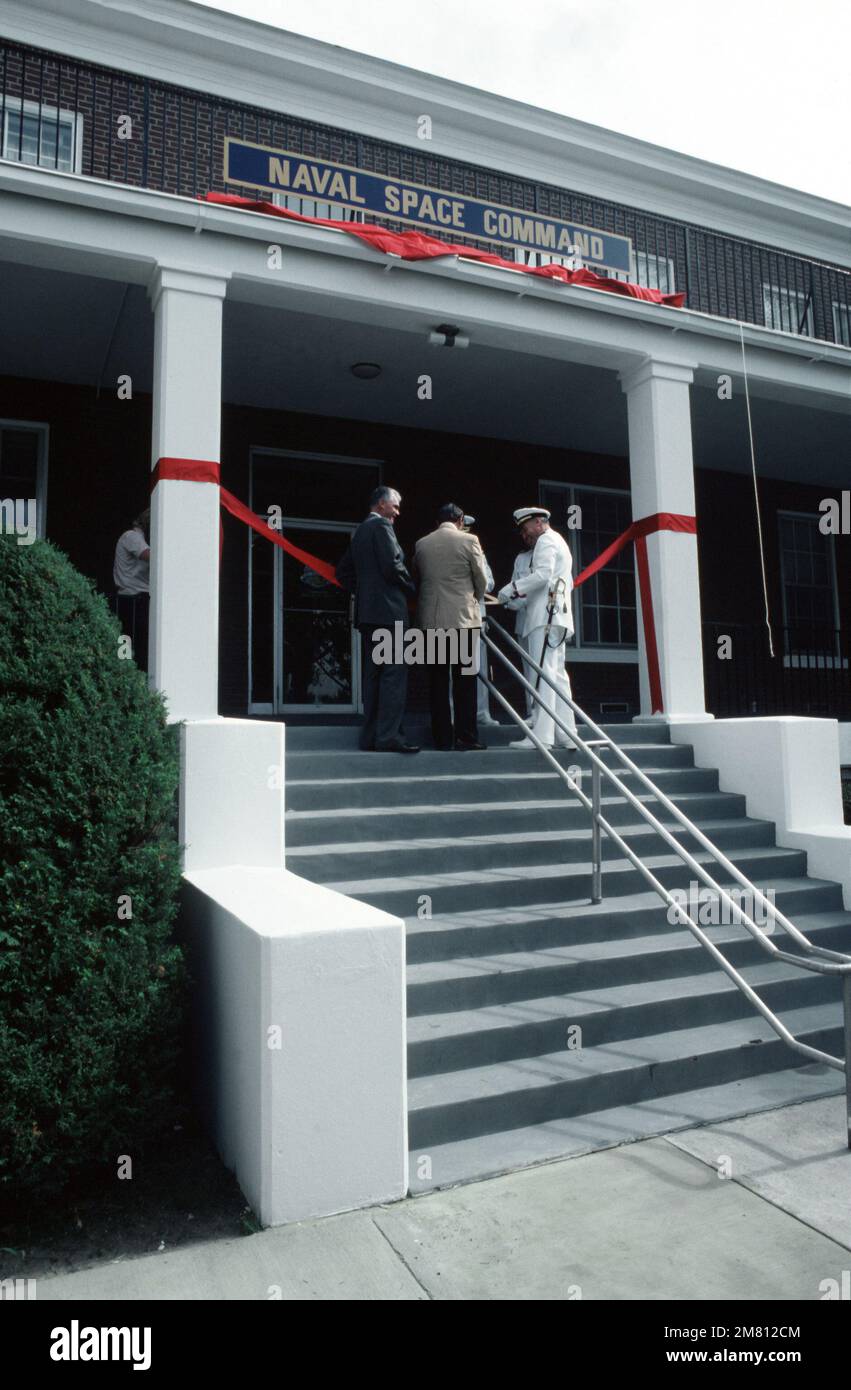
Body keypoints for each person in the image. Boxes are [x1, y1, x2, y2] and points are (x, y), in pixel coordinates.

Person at [336, 486, 419, 753]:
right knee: (394, 676)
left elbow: (342, 572)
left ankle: (371, 737)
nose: (397, 512)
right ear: (381, 505)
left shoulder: (360, 531)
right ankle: (389, 737)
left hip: (368, 615)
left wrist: (366, 593)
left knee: (373, 677)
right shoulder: (382, 527)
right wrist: (413, 590)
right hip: (390, 614)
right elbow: (393, 566)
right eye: (395, 506)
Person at [498, 506, 578, 750]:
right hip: (556, 617)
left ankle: (542, 736)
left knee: (543, 676)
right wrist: (516, 600)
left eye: (525, 527)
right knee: (557, 677)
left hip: (544, 618)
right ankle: (567, 734)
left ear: (539, 522)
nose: (524, 533)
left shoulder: (546, 540)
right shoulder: (559, 541)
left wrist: (510, 589)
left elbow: (542, 576)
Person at [414, 504, 488, 750]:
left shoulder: (421, 544)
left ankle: (442, 738)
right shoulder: (469, 540)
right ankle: (466, 736)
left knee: (437, 682)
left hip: (432, 619)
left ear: (438, 522)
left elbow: (418, 576)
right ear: (459, 519)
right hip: (462, 619)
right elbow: (481, 579)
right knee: (465, 682)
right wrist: (473, 598)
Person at [462, 514, 500, 729]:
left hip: (476, 616)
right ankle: (453, 710)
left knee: (479, 668)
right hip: (455, 617)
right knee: (453, 668)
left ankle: (481, 712)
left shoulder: (478, 552)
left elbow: (489, 583)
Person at [113, 507, 150, 673]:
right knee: (132, 649)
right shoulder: (132, 536)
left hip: (134, 600)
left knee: (133, 647)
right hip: (133, 601)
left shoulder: (136, 538)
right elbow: (151, 555)